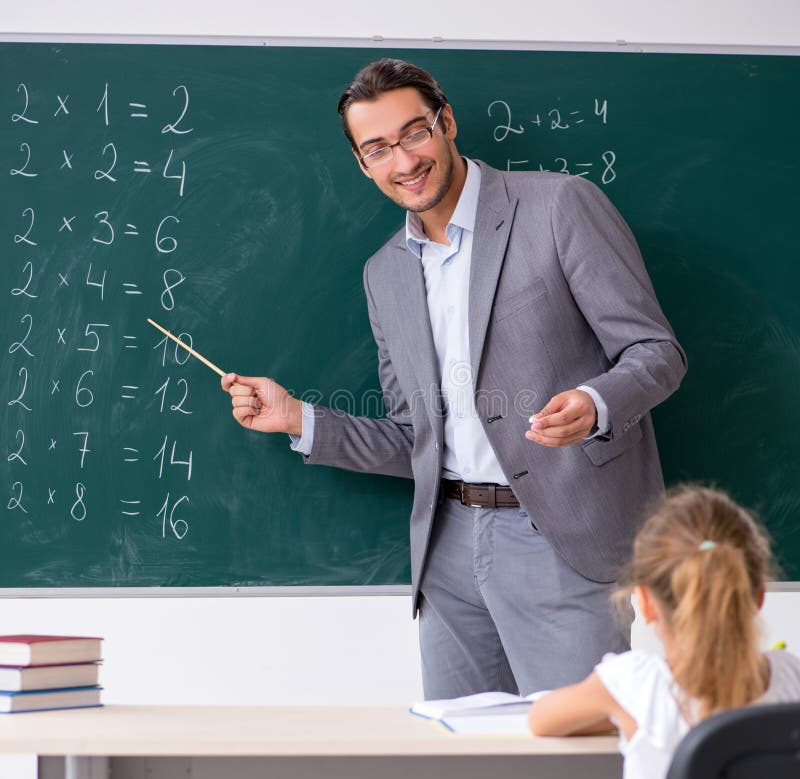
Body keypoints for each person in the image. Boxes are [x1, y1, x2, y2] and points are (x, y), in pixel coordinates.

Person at [221, 58, 687, 699]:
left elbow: (656, 352)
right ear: (363, 163)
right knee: (456, 755)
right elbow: (415, 439)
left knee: (578, 755)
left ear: (446, 123)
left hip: (559, 537)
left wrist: (596, 402)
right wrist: (298, 418)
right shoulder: (383, 275)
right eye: (378, 148)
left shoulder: (558, 206)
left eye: (414, 133)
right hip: (446, 549)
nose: (404, 161)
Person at [528, 485, 800, 779]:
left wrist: (614, 709)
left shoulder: (634, 684)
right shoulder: (792, 677)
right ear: (758, 598)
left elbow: (540, 720)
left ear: (644, 601)